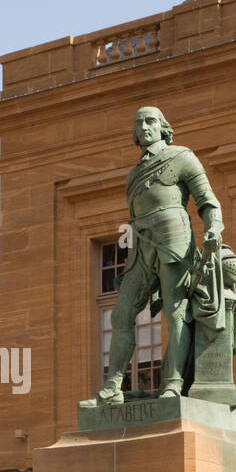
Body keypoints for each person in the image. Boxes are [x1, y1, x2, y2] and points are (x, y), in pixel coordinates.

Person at [81, 105, 224, 405]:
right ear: (134, 132)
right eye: (139, 123)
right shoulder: (133, 174)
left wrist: (213, 229)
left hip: (174, 237)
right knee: (121, 313)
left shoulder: (182, 156)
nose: (144, 127)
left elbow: (208, 202)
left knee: (175, 311)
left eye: (150, 121)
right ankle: (112, 387)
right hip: (140, 244)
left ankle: (172, 384)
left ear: (162, 127)